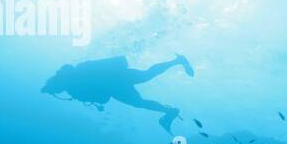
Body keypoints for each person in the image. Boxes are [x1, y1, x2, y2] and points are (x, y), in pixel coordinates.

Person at [42, 54, 194, 133]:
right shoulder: (73, 82)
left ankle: (169, 108)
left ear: (57, 86)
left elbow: (102, 99)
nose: (58, 91)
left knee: (140, 96)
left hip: (116, 81)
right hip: (117, 81)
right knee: (145, 80)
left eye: (56, 90)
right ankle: (169, 110)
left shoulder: (73, 87)